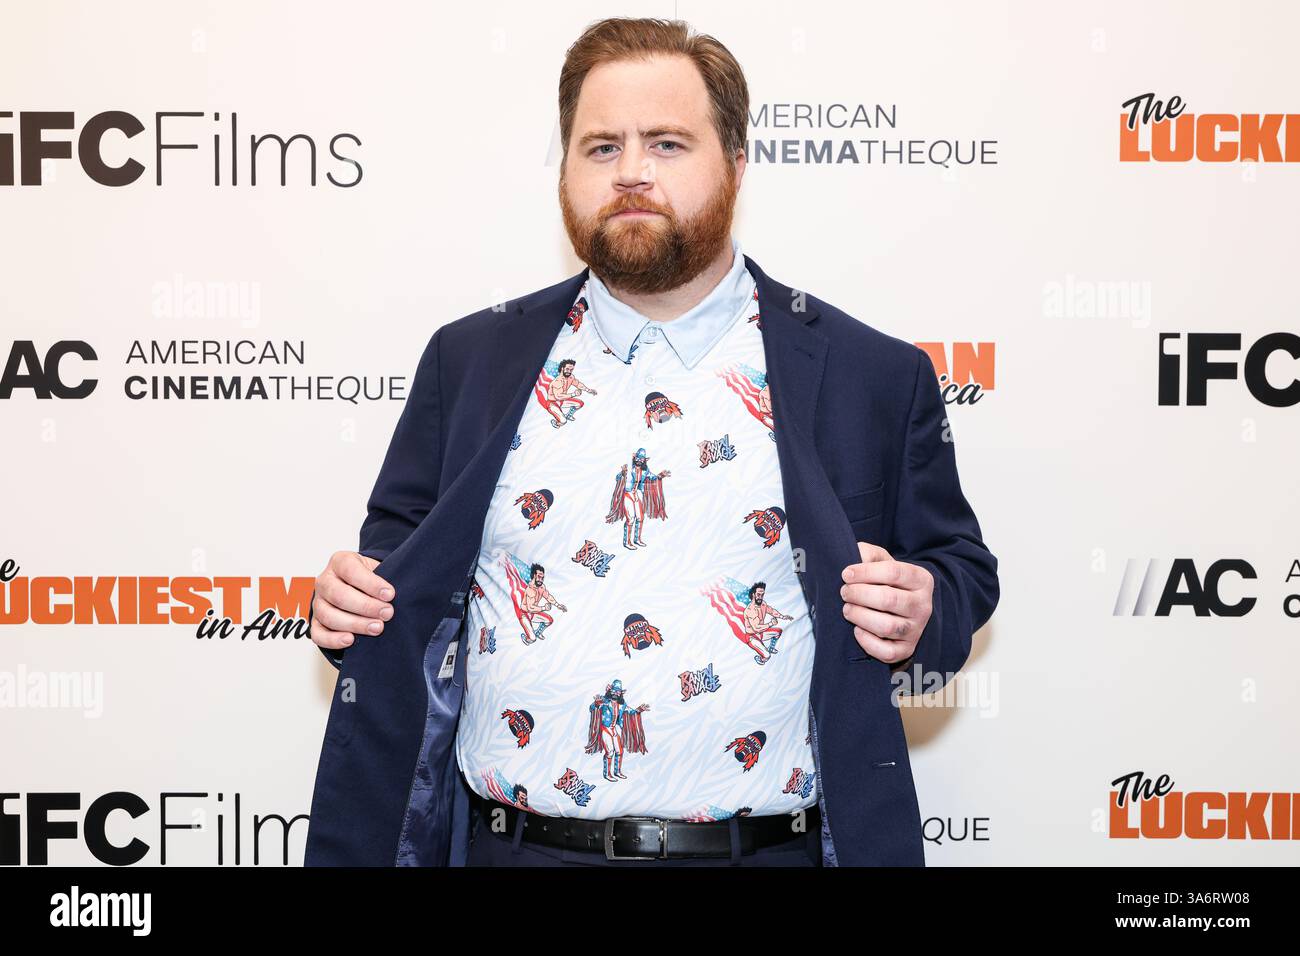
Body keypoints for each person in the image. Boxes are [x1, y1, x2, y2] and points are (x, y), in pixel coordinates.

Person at [304, 16, 999, 868]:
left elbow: (960, 574)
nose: (632, 172)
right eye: (601, 147)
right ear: (565, 169)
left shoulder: (872, 374)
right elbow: (390, 573)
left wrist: (925, 604)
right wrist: (347, 607)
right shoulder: (470, 361)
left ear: (736, 166)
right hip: (514, 853)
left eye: (667, 143)